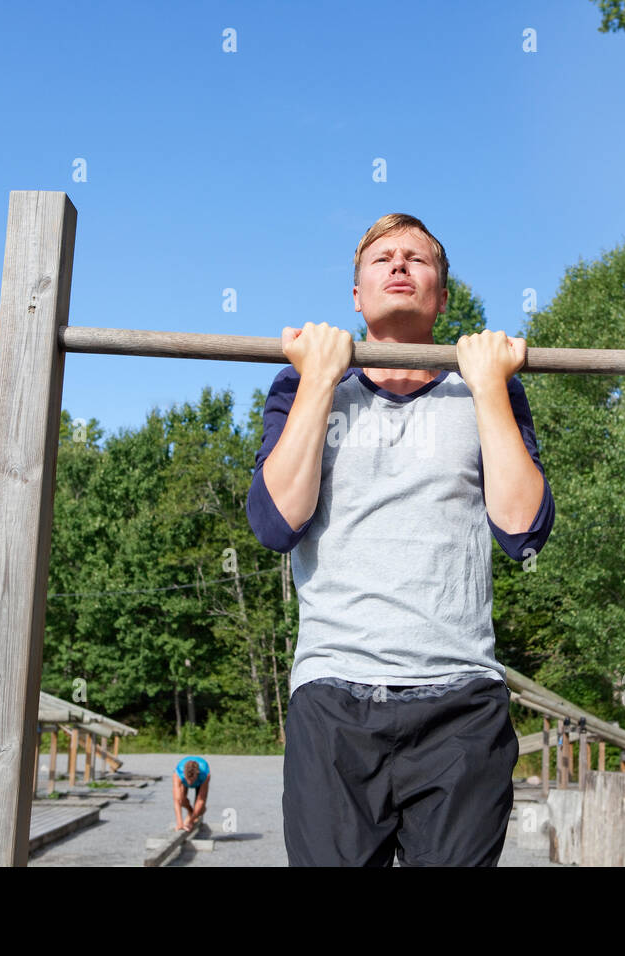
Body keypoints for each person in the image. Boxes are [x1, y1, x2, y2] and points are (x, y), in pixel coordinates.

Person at [246, 213, 555, 866]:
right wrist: (320, 379)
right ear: (356, 293)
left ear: (441, 296)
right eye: (382, 257)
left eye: (418, 260)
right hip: (334, 698)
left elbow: (524, 530)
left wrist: (491, 387)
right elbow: (277, 523)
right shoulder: (303, 385)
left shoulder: (488, 389)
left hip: (461, 705)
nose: (398, 265)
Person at [173, 756, 210, 832]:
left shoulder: (205, 775)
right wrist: (180, 823)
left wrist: (190, 822)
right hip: (183, 780)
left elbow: (201, 801)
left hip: (200, 782)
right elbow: (177, 801)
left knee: (201, 809)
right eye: (188, 780)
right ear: (184, 774)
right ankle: (190, 811)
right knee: (181, 799)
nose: (190, 783)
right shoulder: (178, 775)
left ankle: (193, 815)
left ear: (197, 774)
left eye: (192, 780)